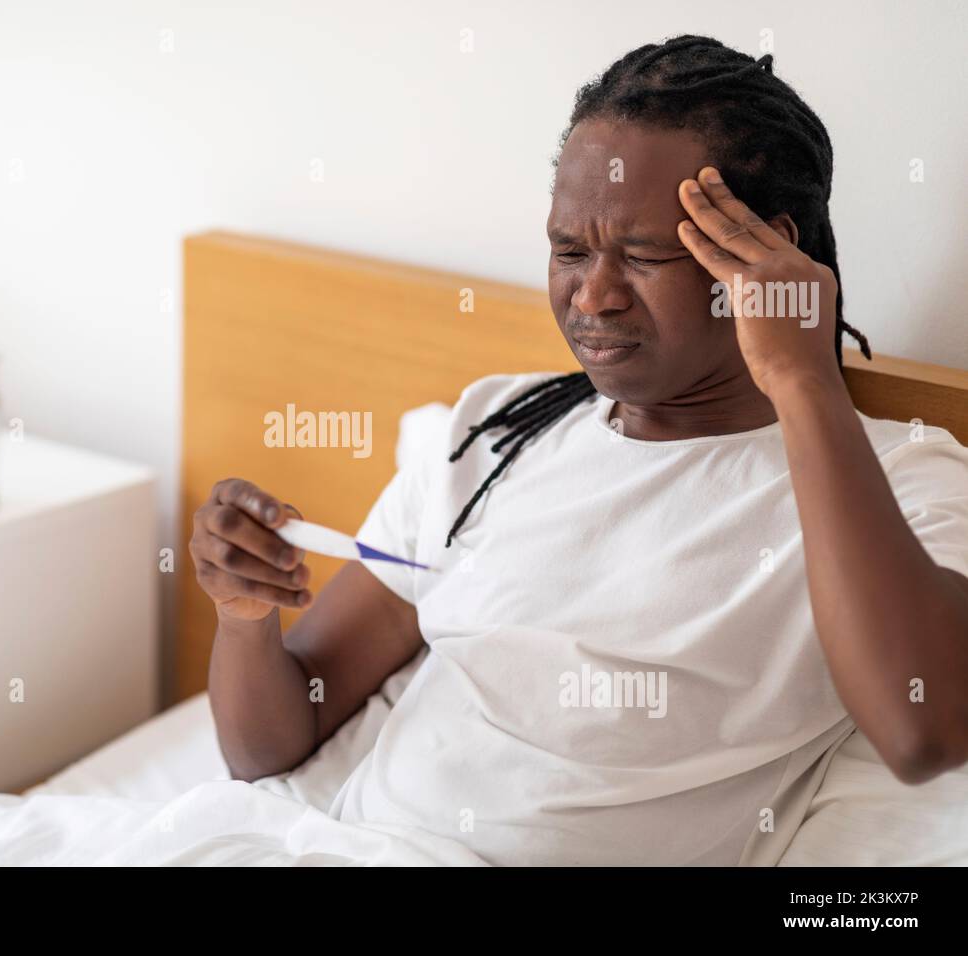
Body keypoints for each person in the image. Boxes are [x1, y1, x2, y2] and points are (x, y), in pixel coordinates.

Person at [191, 35, 968, 865]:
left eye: (643, 256)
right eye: (569, 250)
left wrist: (803, 378)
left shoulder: (898, 476)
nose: (592, 295)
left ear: (762, 256)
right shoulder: (494, 430)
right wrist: (244, 617)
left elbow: (922, 729)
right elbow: (272, 744)